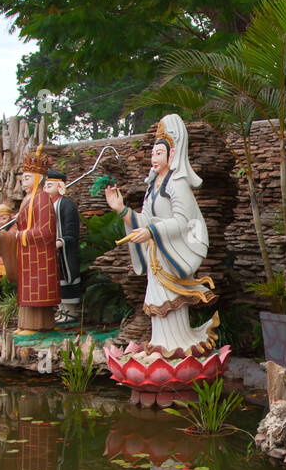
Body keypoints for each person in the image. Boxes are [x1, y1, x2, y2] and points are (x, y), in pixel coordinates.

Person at [102, 114, 218, 357]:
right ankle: (159, 344)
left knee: (171, 299)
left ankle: (176, 346)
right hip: (157, 255)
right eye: (152, 153)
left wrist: (151, 231)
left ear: (172, 154)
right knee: (156, 299)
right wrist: (121, 210)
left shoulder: (177, 184)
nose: (153, 158)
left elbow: (182, 221)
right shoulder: (152, 187)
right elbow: (145, 219)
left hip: (171, 252)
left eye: (159, 153)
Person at [0, 148, 59, 332]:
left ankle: (38, 325)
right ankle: (26, 324)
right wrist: (2, 235)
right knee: (27, 289)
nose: (22, 181)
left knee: (37, 289)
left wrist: (20, 236)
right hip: (28, 254)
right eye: (22, 178)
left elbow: (46, 231)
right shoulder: (27, 199)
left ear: (37, 178)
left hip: (40, 254)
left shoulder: (42, 199)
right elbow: (19, 229)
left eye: (27, 177)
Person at [44, 169, 83, 328]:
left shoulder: (66, 205)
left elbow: (71, 231)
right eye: (45, 185)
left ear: (60, 186)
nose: (46, 188)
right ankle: (61, 308)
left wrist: (60, 242)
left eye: (50, 185)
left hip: (64, 250)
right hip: (50, 250)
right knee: (55, 279)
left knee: (66, 276)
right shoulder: (47, 205)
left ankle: (70, 310)